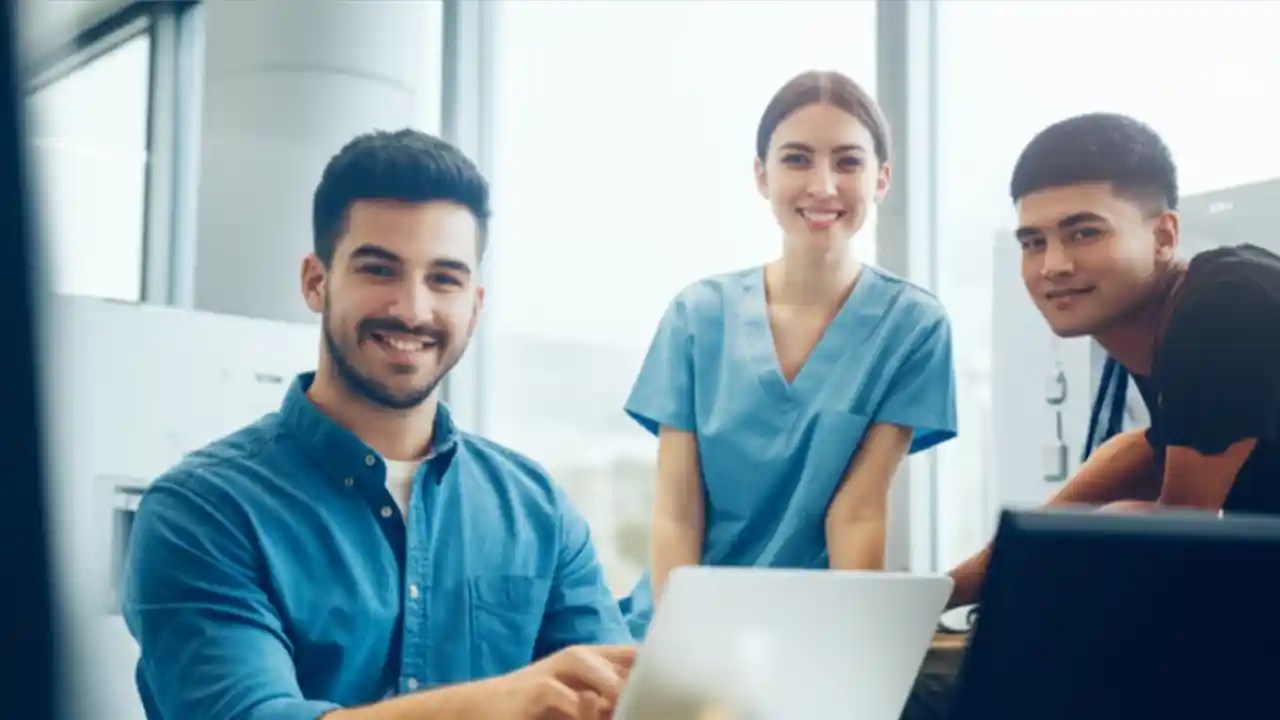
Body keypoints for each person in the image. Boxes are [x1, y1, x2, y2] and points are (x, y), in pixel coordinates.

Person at [122, 129, 634, 720]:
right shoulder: (201, 511)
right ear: (317, 282)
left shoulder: (536, 508)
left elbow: (611, 697)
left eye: (445, 278)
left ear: (476, 302)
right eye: (379, 270)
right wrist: (502, 701)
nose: (413, 309)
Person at [618, 70, 960, 640]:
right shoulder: (697, 317)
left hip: (811, 627)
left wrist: (852, 657)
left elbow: (857, 512)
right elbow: (677, 515)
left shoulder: (914, 327)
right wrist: (683, 649)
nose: (823, 186)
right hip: (683, 619)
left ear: (882, 179)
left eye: (848, 163)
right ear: (762, 175)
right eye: (798, 159)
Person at [948, 112, 1280, 609]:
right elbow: (1143, 454)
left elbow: (1181, 537)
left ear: (1164, 236)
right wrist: (936, 595)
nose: (1052, 266)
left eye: (1084, 233)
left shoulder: (1224, 305)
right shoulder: (1172, 328)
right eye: (1033, 242)